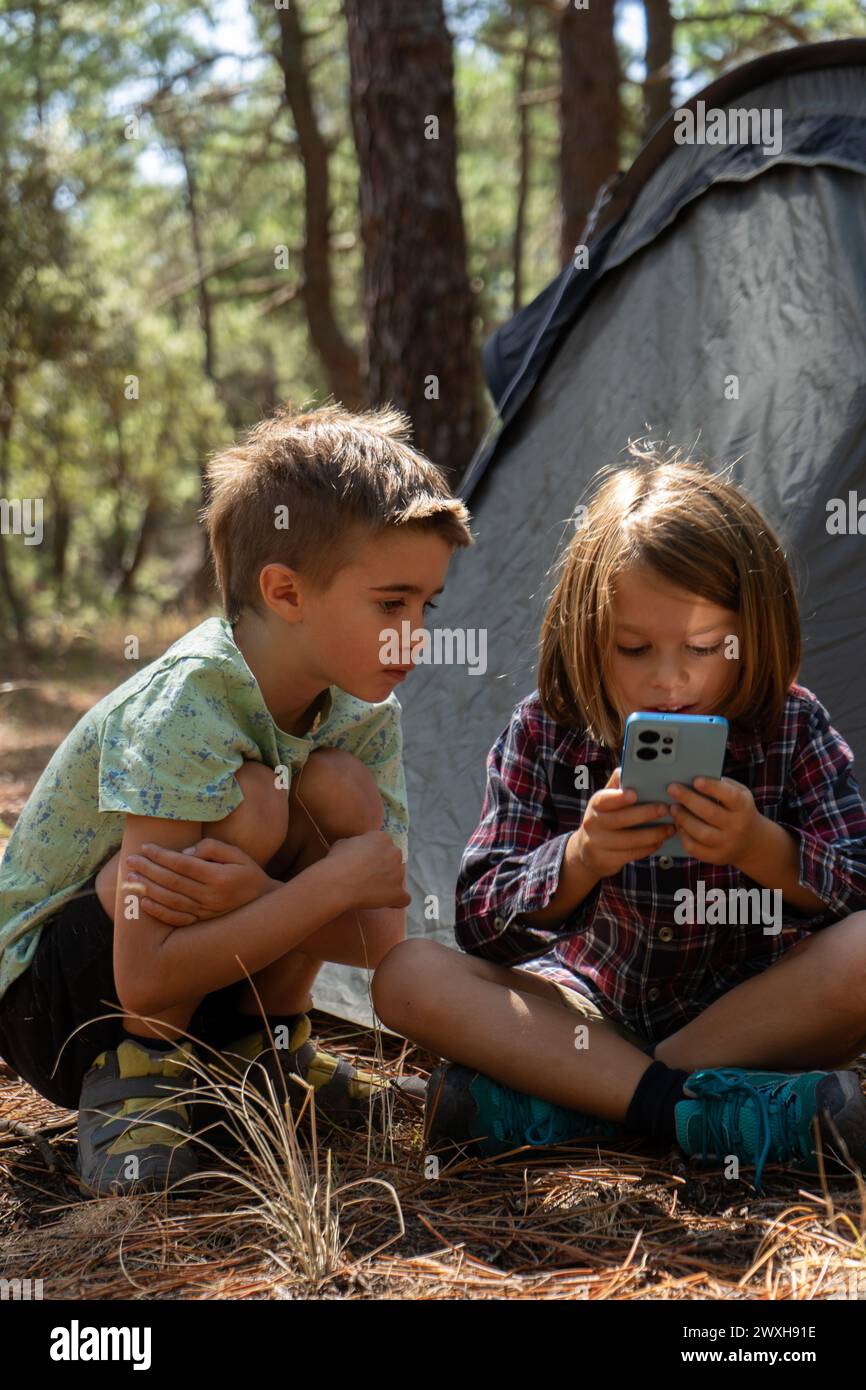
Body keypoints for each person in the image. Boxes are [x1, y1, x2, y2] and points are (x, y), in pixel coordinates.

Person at [0, 402, 472, 1197]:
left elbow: (375, 941)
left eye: (428, 607)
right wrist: (317, 888)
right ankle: (138, 1080)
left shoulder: (362, 714)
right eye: (391, 604)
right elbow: (146, 977)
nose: (413, 635)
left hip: (212, 973)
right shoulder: (191, 703)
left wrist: (268, 895)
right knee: (256, 803)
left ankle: (267, 1052)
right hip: (64, 1003)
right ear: (285, 592)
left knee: (328, 786)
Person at [372, 446, 866, 1195]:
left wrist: (764, 850)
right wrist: (579, 860)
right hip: (584, 1014)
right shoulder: (547, 730)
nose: (670, 678)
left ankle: (590, 1106)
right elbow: (479, 919)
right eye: (634, 649)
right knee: (406, 975)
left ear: (751, 634)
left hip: (752, 1015)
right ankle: (696, 1114)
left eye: (704, 648)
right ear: (587, 636)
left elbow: (856, 885)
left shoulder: (789, 726)